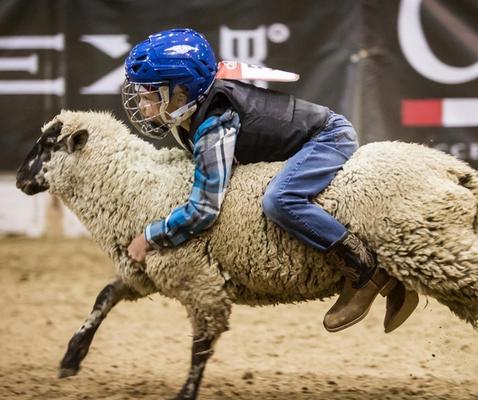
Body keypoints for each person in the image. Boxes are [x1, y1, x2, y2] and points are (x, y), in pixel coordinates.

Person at [122, 28, 416, 333]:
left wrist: (153, 236)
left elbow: (205, 209)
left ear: (182, 93)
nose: (143, 107)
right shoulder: (198, 103)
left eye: (152, 95)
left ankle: (363, 270)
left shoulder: (215, 125)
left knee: (279, 200)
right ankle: (392, 285)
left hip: (328, 138)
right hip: (310, 136)